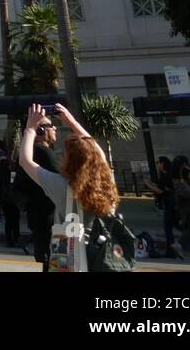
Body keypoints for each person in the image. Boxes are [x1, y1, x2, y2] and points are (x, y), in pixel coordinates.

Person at [18, 103, 121, 273]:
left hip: (68, 257)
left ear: (70, 161)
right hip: (103, 255)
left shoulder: (62, 186)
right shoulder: (107, 182)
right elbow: (98, 152)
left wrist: (30, 128)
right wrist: (71, 121)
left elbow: (25, 161)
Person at [11, 108, 59, 269]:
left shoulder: (32, 152)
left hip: (40, 218)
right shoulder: (43, 152)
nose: (55, 128)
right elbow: (62, 181)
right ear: (40, 130)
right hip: (50, 219)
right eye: (51, 126)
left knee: (50, 262)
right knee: (54, 262)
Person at [144, 155, 180, 256]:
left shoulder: (168, 175)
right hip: (168, 202)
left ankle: (172, 249)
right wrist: (151, 183)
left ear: (162, 164)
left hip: (170, 202)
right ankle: (174, 247)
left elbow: (160, 191)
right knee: (173, 225)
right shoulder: (164, 175)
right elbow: (160, 187)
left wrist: (148, 185)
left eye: (158, 162)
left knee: (168, 226)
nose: (157, 165)